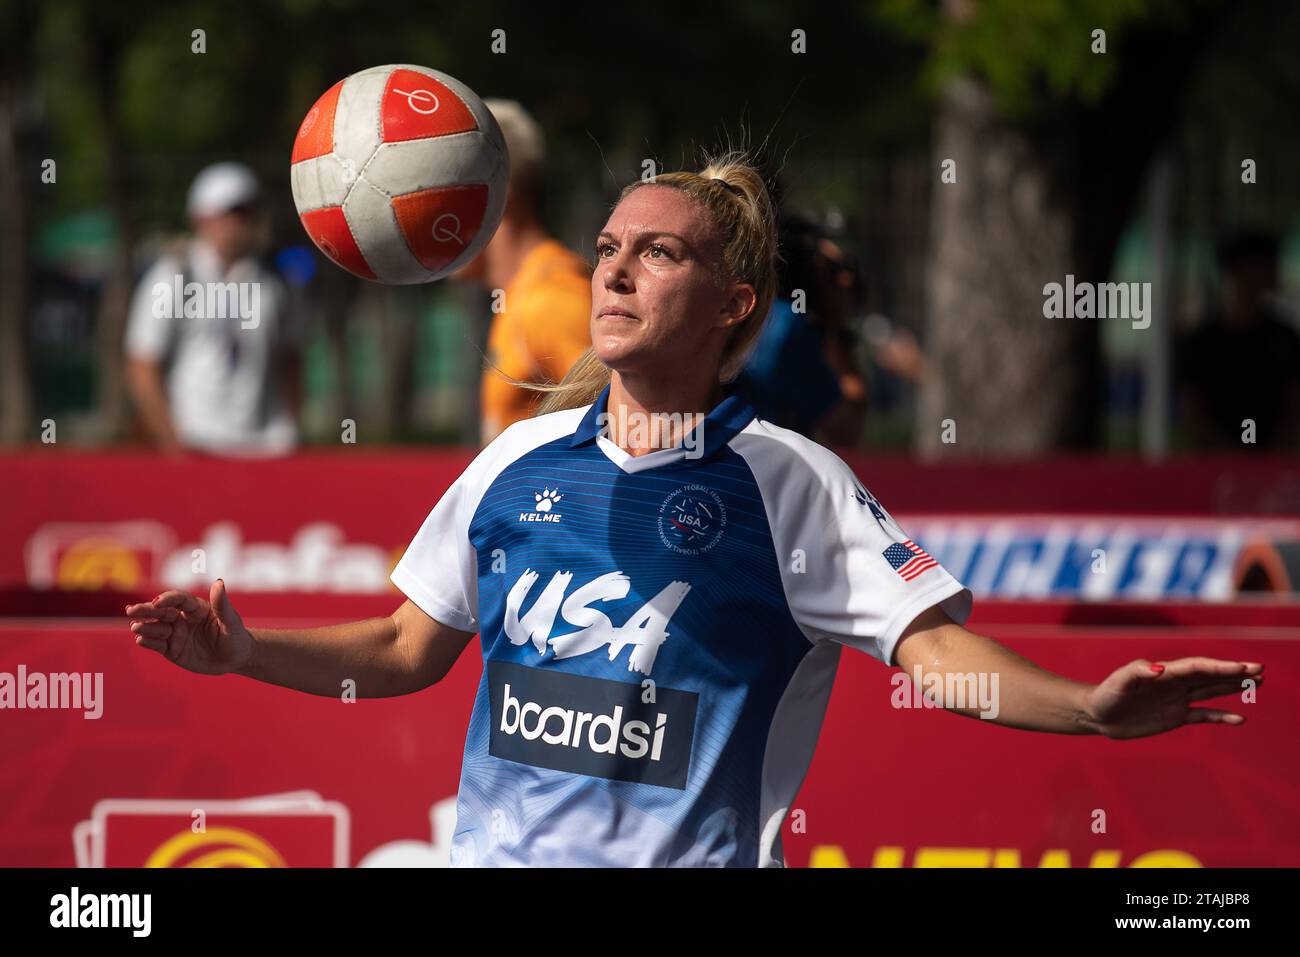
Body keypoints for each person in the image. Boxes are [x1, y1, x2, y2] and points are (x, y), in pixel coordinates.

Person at [125, 151, 1265, 868]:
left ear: (733, 303)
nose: (613, 272)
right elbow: (402, 646)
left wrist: (1088, 710)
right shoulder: (516, 462)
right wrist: (241, 652)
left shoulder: (786, 478)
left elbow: (935, 659)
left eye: (655, 252)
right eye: (610, 247)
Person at [125, 162, 301, 456]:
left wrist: (293, 427)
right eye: (230, 213)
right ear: (200, 218)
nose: (239, 224)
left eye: (247, 213)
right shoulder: (173, 277)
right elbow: (142, 365)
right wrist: (172, 442)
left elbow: (291, 359)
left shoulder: (276, 281)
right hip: (199, 443)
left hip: (268, 446)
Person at [452, 99, 592, 444]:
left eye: (443, 194)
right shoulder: (519, 294)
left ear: (497, 193)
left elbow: (629, 437)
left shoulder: (551, 300)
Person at [1177, 230, 1300, 451]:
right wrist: (1227, 453)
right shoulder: (1203, 342)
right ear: (1235, 271)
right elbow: (1192, 410)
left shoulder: (1284, 338)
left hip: (1272, 465)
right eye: (1261, 266)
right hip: (1214, 466)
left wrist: (1271, 453)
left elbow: (1294, 406)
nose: (1270, 273)